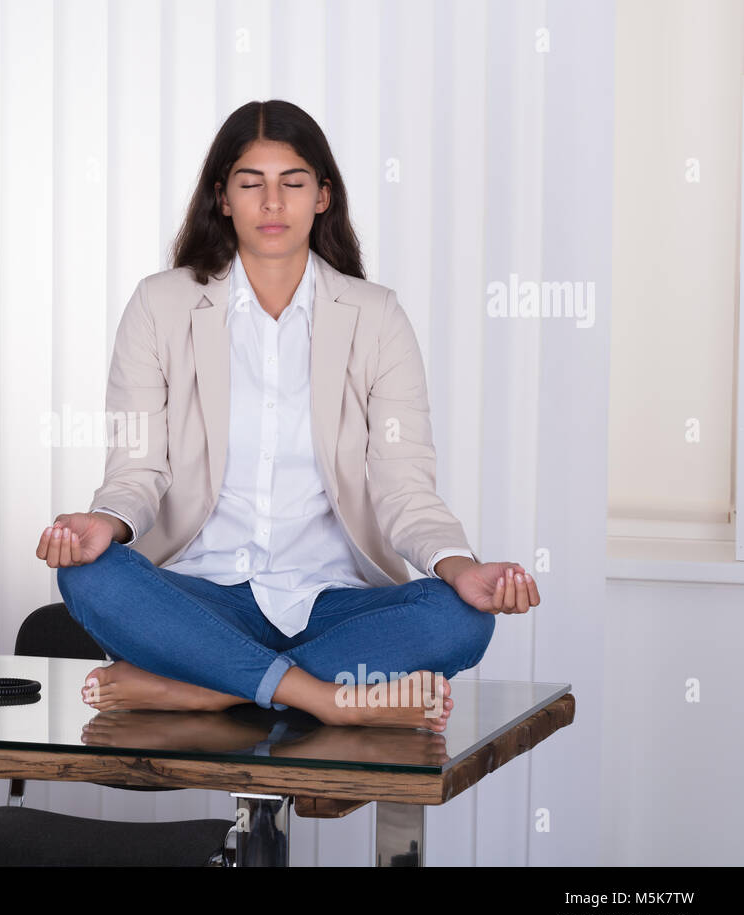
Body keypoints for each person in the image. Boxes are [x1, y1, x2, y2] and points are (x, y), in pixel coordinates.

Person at [37, 100, 539, 731]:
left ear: (323, 196)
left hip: (332, 602)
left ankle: (210, 687)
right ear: (222, 198)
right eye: (251, 183)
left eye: (293, 183)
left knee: (461, 619)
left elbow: (403, 485)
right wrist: (105, 523)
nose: (273, 203)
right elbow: (138, 467)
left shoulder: (376, 317)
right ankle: (322, 697)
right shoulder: (160, 305)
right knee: (91, 579)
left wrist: (462, 569)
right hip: (203, 596)